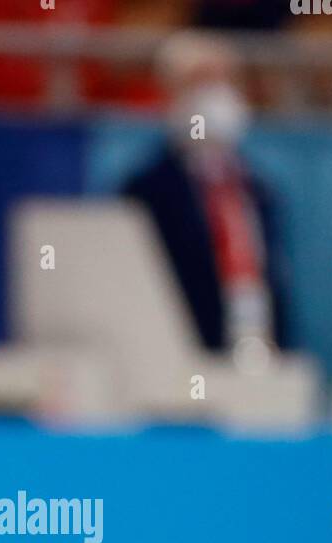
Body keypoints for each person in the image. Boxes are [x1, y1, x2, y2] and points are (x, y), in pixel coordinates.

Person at [122, 31, 293, 354]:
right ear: (170, 94)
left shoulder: (260, 188)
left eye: (226, 80)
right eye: (202, 81)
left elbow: (276, 280)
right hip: (181, 353)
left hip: (258, 352)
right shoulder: (146, 192)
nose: (216, 93)